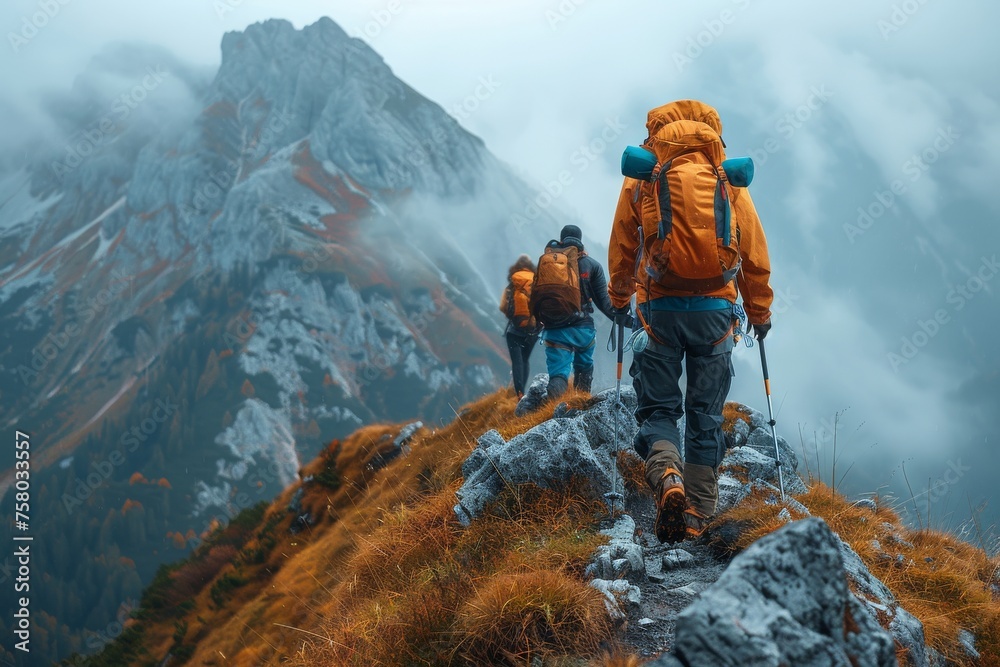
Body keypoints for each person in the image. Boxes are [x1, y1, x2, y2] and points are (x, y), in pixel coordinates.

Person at [607, 100, 774, 543]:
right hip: (715, 313)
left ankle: (667, 477)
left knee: (660, 407)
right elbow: (754, 251)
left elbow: (624, 239)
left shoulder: (645, 174)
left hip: (660, 309)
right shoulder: (726, 177)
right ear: (712, 133)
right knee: (705, 412)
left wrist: (619, 297)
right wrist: (759, 312)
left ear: (656, 133)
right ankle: (698, 515)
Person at [537, 225, 618, 401]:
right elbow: (604, 303)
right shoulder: (592, 265)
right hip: (583, 330)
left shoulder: (548, 263)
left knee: (559, 374)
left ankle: (553, 414)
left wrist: (537, 323)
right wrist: (622, 318)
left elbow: (539, 296)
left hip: (554, 330)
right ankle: (581, 407)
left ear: (561, 240)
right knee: (584, 367)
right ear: (580, 241)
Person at [500, 254, 541, 398]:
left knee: (517, 361)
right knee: (525, 359)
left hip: (515, 329)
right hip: (533, 330)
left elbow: (503, 306)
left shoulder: (513, 282)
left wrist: (514, 317)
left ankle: (519, 393)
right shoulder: (536, 281)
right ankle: (524, 393)